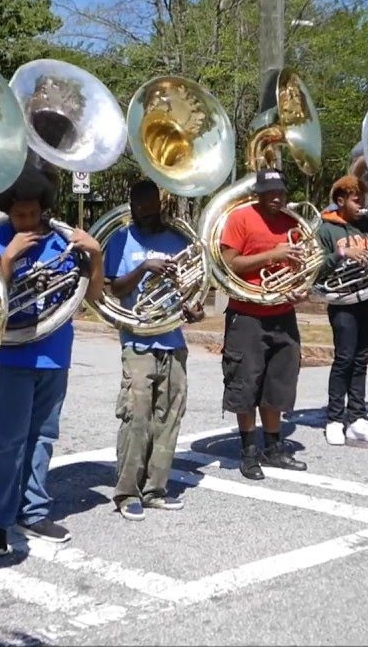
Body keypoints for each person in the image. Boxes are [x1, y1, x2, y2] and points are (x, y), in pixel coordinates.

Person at [0, 168, 104, 554]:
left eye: (34, 215)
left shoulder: (63, 241)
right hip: (13, 353)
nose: (28, 222)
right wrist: (8, 259)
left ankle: (32, 510)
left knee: (44, 437)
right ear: (8, 212)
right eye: (20, 216)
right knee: (9, 442)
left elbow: (93, 298)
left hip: (54, 352)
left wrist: (95, 255)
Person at [103, 180, 205, 520]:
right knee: (137, 416)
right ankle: (127, 492)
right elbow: (115, 289)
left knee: (169, 417)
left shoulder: (179, 240)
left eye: (148, 205)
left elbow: (195, 289)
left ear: (159, 204)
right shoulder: (121, 239)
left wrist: (194, 309)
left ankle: (156, 489)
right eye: (137, 205)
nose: (142, 211)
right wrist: (144, 267)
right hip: (137, 340)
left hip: (173, 340)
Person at [218, 168, 308, 480]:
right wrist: (273, 254)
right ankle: (249, 452)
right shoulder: (241, 219)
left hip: (283, 313)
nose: (277, 198)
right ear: (257, 193)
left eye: (281, 192)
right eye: (270, 193)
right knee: (246, 385)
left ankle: (273, 448)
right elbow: (229, 263)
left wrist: (302, 286)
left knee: (277, 385)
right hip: (247, 314)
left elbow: (303, 265)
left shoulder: (293, 223)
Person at [314, 175, 368, 445]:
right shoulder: (326, 230)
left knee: (362, 360)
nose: (362, 205)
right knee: (344, 359)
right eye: (356, 200)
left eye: (363, 199)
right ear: (340, 201)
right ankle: (335, 419)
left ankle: (357, 417)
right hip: (343, 302)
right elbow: (314, 267)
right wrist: (342, 255)